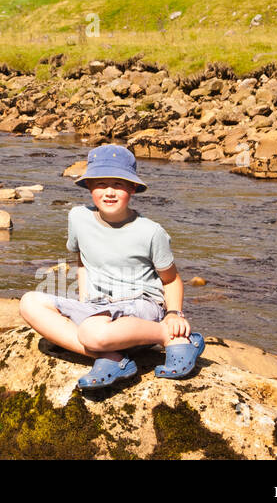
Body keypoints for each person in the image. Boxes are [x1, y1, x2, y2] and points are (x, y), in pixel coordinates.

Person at [19, 144, 203, 389]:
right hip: (100, 307)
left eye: (118, 184)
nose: (109, 192)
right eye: (100, 184)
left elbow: (171, 280)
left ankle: (168, 335)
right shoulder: (78, 218)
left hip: (141, 306)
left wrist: (173, 315)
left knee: (91, 333)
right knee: (29, 302)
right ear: (89, 187)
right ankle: (110, 357)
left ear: (132, 188)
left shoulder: (151, 232)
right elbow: (83, 261)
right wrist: (85, 302)